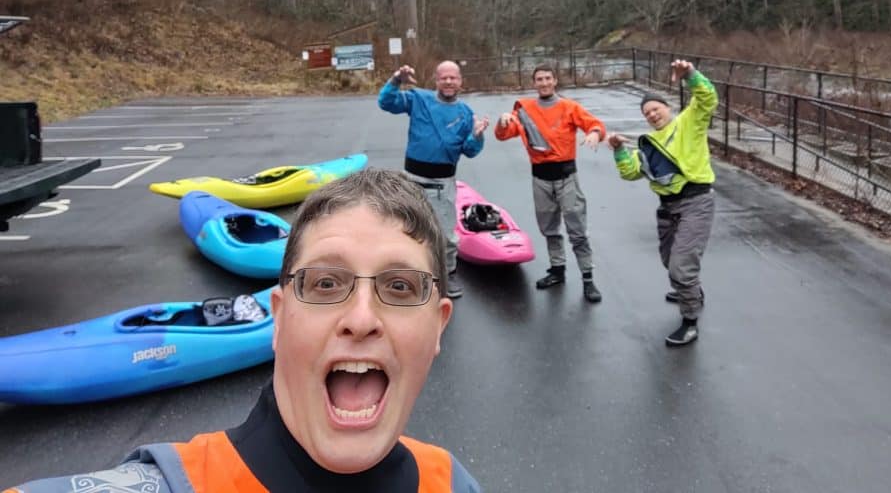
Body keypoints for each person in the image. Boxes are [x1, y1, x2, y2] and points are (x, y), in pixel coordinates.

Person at [6, 169, 482, 493]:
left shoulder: (451, 482)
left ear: (438, 325)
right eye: (325, 283)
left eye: (399, 286)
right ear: (279, 316)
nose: (361, 318)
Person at [607, 59, 718, 347]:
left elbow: (708, 98)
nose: (653, 115)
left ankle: (690, 320)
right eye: (647, 113)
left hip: (696, 201)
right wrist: (619, 150)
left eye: (656, 109)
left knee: (681, 268)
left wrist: (690, 76)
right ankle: (692, 290)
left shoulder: (688, 122)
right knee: (671, 262)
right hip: (668, 207)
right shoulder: (648, 144)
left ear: (668, 107)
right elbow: (630, 173)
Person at [494, 63, 606, 303]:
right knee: (549, 229)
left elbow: (594, 124)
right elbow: (503, 134)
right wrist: (502, 121)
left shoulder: (569, 107)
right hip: (540, 178)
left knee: (577, 230)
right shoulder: (525, 109)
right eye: (539, 79)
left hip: (567, 177)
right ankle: (557, 270)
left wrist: (595, 133)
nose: (543, 83)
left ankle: (588, 278)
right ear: (534, 83)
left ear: (555, 81)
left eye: (547, 78)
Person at [378, 60, 490, 300]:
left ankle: (447, 275)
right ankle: (408, 275)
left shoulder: (466, 114)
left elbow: (469, 150)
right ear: (436, 80)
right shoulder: (418, 99)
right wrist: (397, 79)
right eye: (444, 77)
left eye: (453, 78)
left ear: (460, 81)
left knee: (445, 237)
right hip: (411, 180)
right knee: (406, 230)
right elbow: (386, 102)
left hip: (443, 185)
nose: (448, 82)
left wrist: (477, 137)